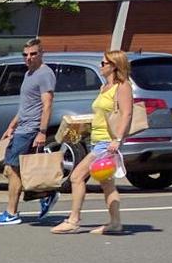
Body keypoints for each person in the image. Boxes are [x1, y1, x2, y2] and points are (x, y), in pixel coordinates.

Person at [54, 49, 134, 236]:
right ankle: (115, 223)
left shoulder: (123, 87)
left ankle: (73, 220)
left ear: (114, 66)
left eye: (103, 63)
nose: (100, 66)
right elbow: (101, 115)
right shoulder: (104, 87)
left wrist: (117, 139)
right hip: (96, 139)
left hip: (106, 142)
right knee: (107, 184)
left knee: (77, 177)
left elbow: (127, 113)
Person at [0, 39, 57, 225]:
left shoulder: (44, 74)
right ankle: (46, 194)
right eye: (25, 55)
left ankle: (11, 213)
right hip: (22, 127)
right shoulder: (29, 74)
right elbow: (25, 106)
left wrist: (42, 131)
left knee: (13, 169)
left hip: (31, 129)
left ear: (41, 53)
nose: (29, 58)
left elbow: (47, 104)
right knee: (11, 171)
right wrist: (11, 126)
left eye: (33, 54)